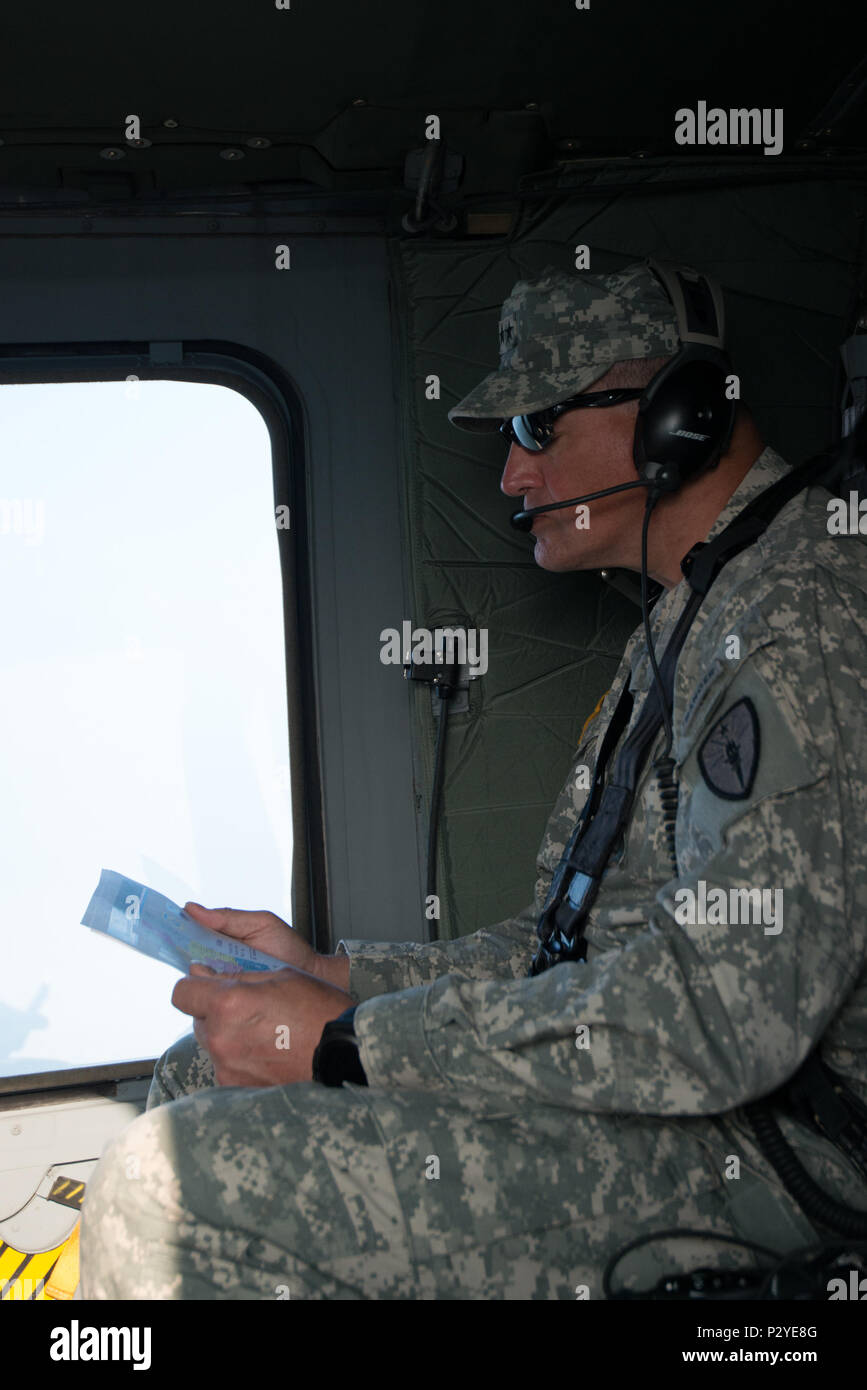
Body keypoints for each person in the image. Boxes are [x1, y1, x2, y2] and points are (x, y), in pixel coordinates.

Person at [79, 260, 867, 1300]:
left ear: (679, 414)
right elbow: (564, 951)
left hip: (785, 1151)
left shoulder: (795, 612)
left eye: (536, 425)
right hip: (682, 1100)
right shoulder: (683, 625)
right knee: (196, 1070)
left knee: (159, 1187)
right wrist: (335, 977)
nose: (510, 476)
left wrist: (353, 1044)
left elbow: (720, 1018)